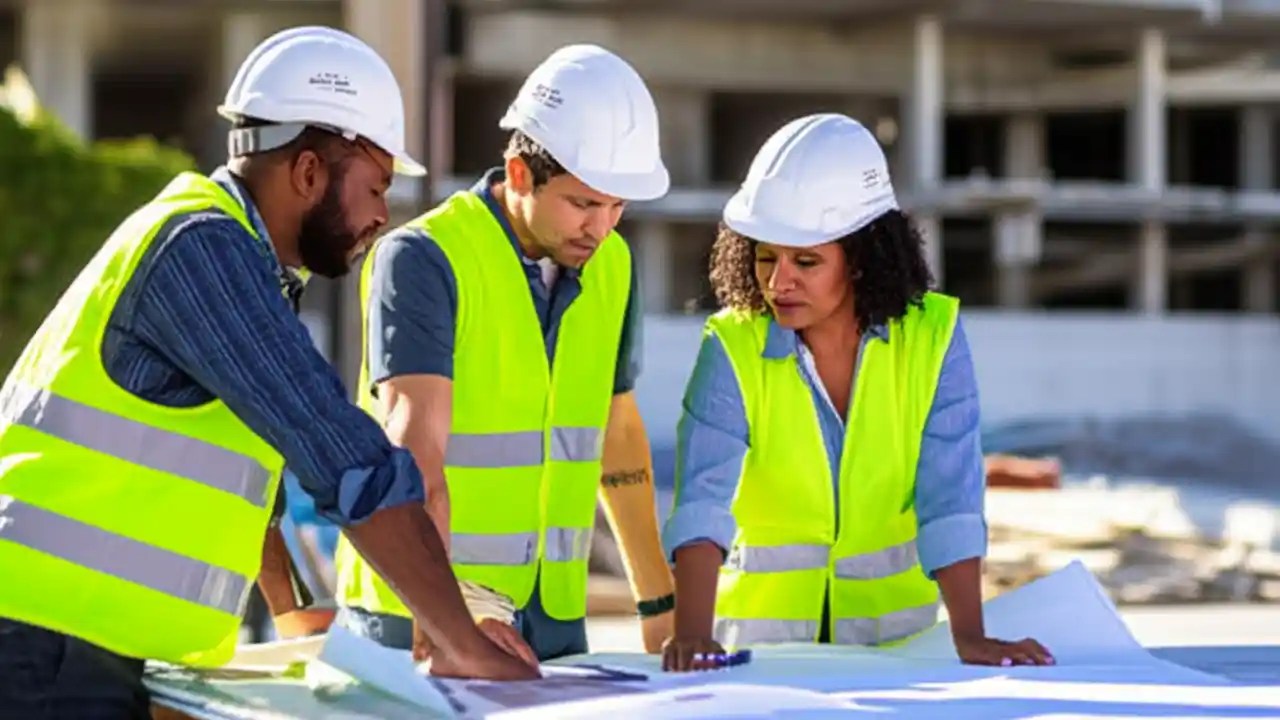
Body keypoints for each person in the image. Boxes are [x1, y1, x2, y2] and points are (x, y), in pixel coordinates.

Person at [0, 25, 537, 719]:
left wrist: (289, 611)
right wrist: (460, 643)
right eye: (375, 186)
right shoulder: (203, 251)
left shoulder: (238, 257)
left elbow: (237, 482)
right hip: (39, 650)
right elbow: (343, 455)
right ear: (309, 172)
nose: (382, 215)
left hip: (69, 644)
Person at [659, 113, 1053, 671]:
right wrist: (691, 634)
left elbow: (952, 495)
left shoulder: (934, 338)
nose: (777, 282)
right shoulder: (731, 344)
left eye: (807, 261)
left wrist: (971, 636)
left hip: (897, 654)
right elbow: (702, 500)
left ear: (863, 259)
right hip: (761, 660)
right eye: (766, 256)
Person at [332, 43, 677, 664]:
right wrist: (439, 621)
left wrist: (659, 604)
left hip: (556, 618)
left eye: (618, 206)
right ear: (519, 173)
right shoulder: (424, 258)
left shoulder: (613, 264)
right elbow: (416, 448)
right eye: (583, 203)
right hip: (421, 615)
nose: (601, 227)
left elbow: (615, 431)